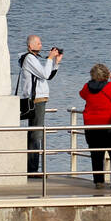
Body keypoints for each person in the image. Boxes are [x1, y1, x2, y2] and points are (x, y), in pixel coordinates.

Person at [16, 35, 63, 176]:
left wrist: (56, 63)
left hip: (37, 99)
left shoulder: (32, 58)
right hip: (36, 100)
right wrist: (49, 59)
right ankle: (33, 170)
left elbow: (47, 75)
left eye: (41, 42)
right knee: (36, 134)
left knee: (34, 133)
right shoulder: (29, 58)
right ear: (30, 46)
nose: (41, 45)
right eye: (38, 43)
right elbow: (44, 74)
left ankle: (32, 168)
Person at [79, 63, 111, 190]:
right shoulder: (110, 87)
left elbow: (82, 94)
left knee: (96, 154)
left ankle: (98, 181)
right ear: (105, 75)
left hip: (91, 127)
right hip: (110, 125)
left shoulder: (87, 87)